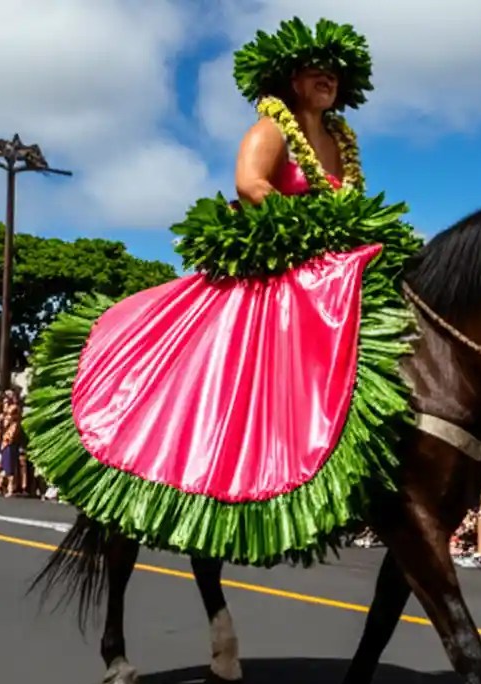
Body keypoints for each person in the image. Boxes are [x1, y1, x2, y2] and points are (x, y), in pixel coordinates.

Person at [21, 18, 421, 565]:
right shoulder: (271, 130)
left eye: (334, 74)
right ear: (290, 80)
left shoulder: (340, 142)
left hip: (329, 267)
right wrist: (308, 226)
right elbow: (250, 185)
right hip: (280, 265)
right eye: (315, 71)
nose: (327, 79)